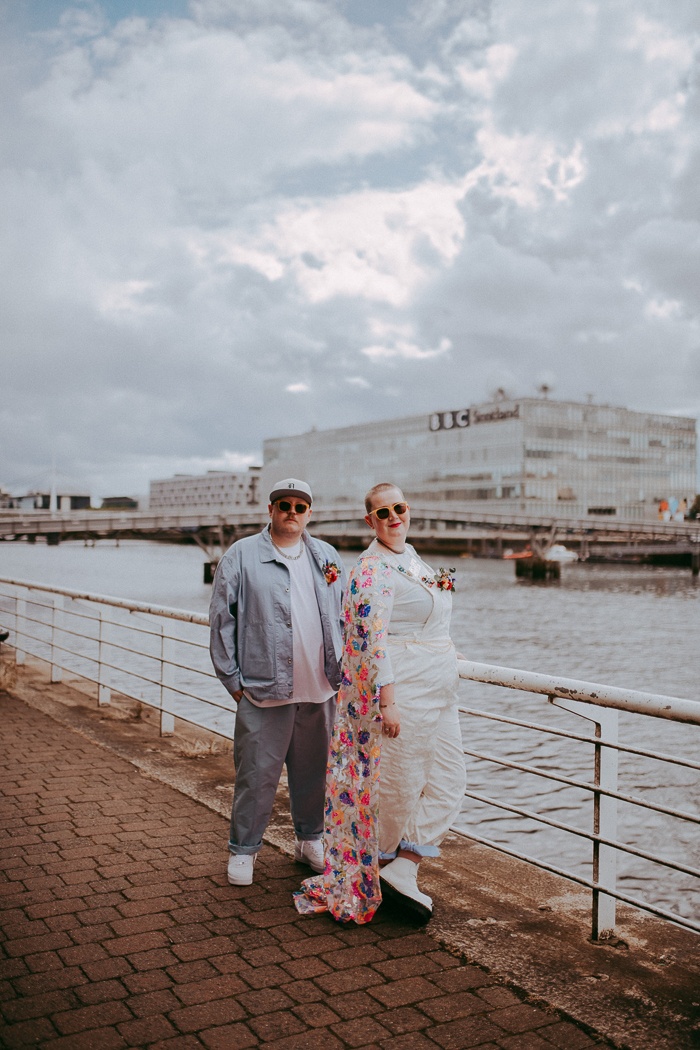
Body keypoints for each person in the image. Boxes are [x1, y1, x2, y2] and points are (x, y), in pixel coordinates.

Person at [294, 482, 466, 923]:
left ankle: (404, 867)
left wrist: (447, 651)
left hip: (440, 688)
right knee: (400, 785)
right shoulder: (371, 570)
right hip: (406, 691)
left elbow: (429, 618)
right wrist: (387, 700)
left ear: (409, 510)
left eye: (399, 508)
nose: (394, 518)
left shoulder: (413, 559)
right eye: (383, 512)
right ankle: (382, 867)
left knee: (450, 781)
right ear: (370, 521)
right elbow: (369, 641)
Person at [209, 478, 346, 886]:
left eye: (299, 506)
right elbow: (221, 619)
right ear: (270, 510)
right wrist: (232, 680)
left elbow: (344, 615)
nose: (291, 512)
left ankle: (310, 840)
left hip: (320, 688)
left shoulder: (327, 556)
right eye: (283, 505)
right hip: (263, 689)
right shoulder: (241, 555)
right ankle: (244, 849)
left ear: (309, 513)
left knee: (315, 775)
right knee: (256, 775)